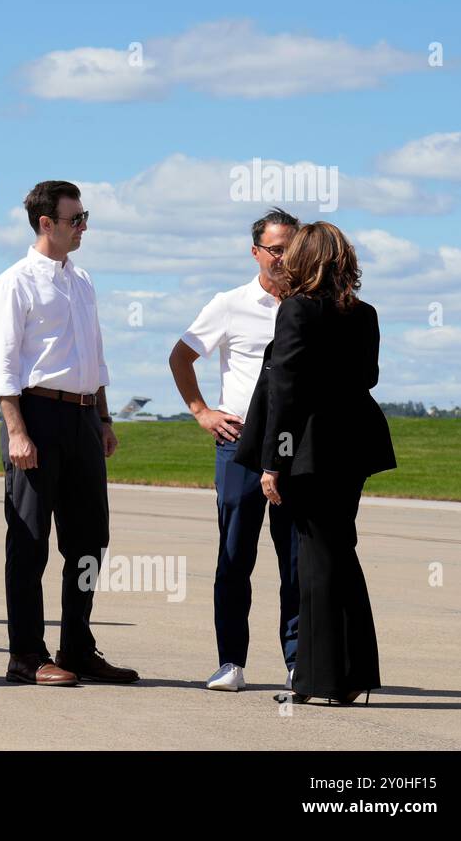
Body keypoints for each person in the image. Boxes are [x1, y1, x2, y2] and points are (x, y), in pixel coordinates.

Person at [0, 180, 138, 687]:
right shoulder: (15, 283)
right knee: (29, 545)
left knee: (90, 541)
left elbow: (94, 355)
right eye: (75, 219)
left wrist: (105, 417)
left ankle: (77, 648)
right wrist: (17, 433)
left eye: (84, 216)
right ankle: (26, 656)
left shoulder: (83, 281)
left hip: (82, 419)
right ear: (45, 223)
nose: (83, 227)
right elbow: (2, 367)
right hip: (37, 416)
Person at [235, 222, 395, 706]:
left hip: (309, 449)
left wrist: (272, 462)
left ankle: (317, 678)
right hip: (355, 444)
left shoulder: (297, 309)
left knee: (319, 560)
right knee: (339, 551)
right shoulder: (364, 313)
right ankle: (348, 674)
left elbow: (285, 389)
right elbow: (368, 375)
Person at [169, 207, 301, 693]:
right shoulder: (229, 303)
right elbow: (180, 355)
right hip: (240, 442)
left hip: (293, 447)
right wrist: (203, 411)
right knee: (234, 555)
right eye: (275, 249)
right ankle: (231, 663)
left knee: (294, 559)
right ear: (255, 252)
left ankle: (297, 661)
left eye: (292, 248)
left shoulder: (308, 304)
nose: (284, 258)